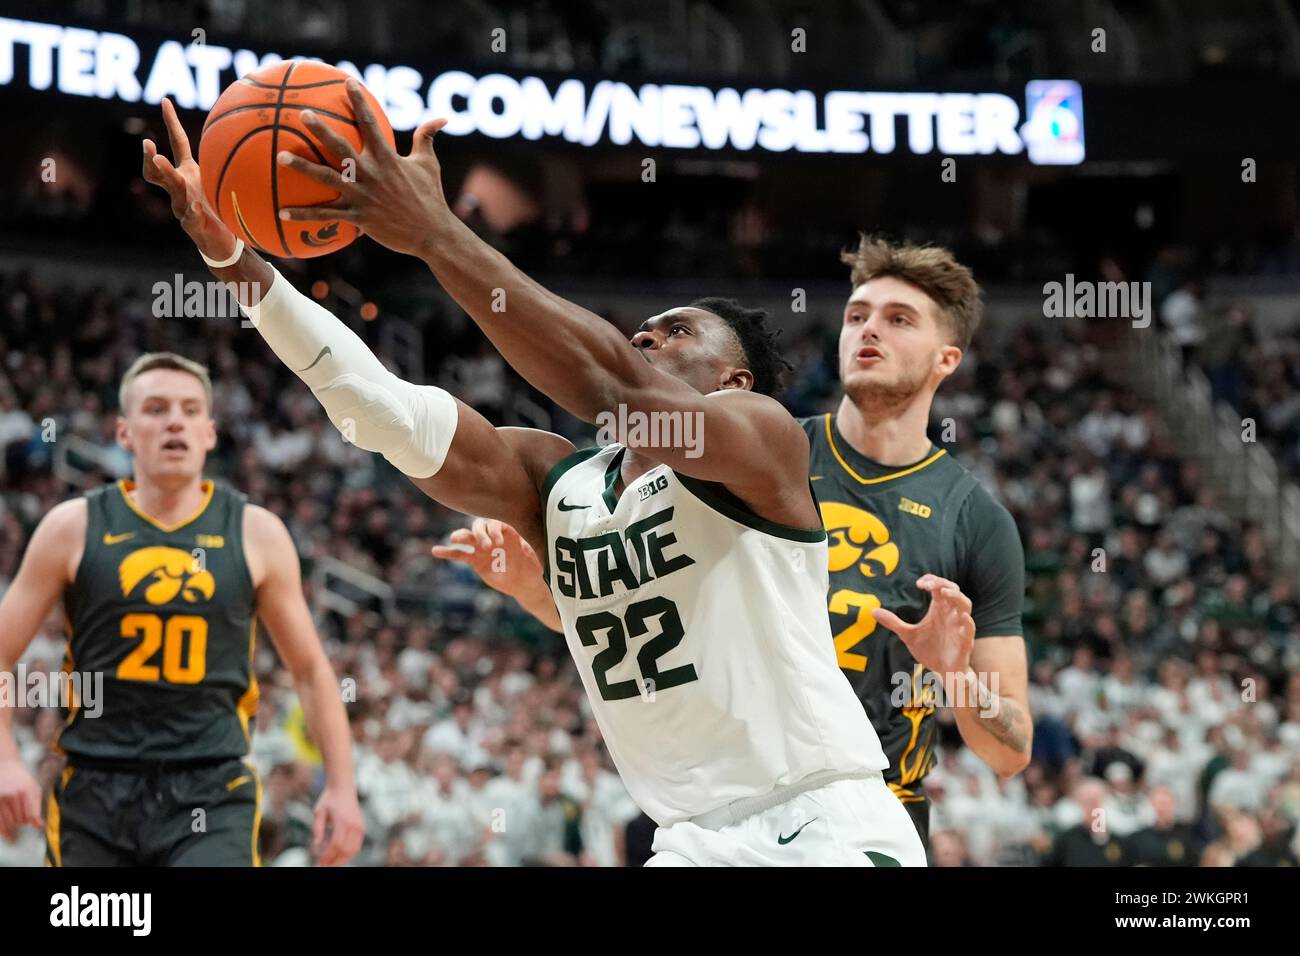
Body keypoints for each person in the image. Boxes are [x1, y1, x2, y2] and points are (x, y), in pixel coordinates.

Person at [141, 87, 933, 865]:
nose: (648, 337)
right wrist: (229, 256)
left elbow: (616, 389)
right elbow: (378, 408)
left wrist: (436, 234)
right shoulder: (560, 483)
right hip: (689, 837)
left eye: (677, 332)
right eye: (644, 329)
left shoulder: (766, 442)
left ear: (733, 383)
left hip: (822, 822)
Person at [441, 238, 1033, 855]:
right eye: (857, 314)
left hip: (869, 818)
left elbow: (1009, 751)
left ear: (946, 359)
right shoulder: (747, 451)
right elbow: (630, 625)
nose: (868, 331)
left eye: (898, 319)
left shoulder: (974, 519)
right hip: (724, 818)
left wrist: (956, 676)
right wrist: (531, 588)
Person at [0, 350, 363, 865]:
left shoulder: (256, 532)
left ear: (210, 432)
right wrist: (5, 759)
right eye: (157, 408)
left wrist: (343, 788)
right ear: (124, 432)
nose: (175, 420)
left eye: (191, 410)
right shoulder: (72, 526)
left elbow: (309, 669)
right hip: (96, 791)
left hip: (212, 793)